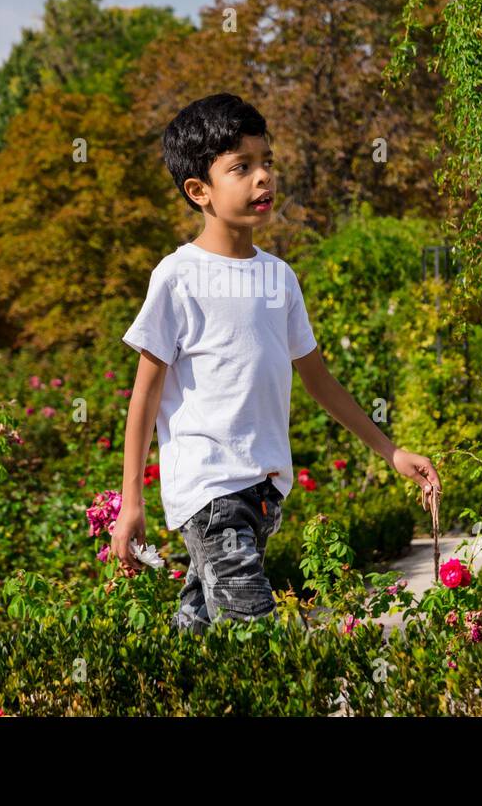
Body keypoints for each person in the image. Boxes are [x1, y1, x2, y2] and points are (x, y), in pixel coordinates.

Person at [110, 92, 442, 632]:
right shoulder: (178, 276)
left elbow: (318, 380)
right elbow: (144, 395)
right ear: (199, 191)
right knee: (263, 638)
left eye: (267, 162)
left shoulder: (278, 277)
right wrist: (131, 502)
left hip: (264, 491)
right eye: (241, 167)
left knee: (198, 630)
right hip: (211, 489)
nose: (263, 177)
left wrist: (391, 451)